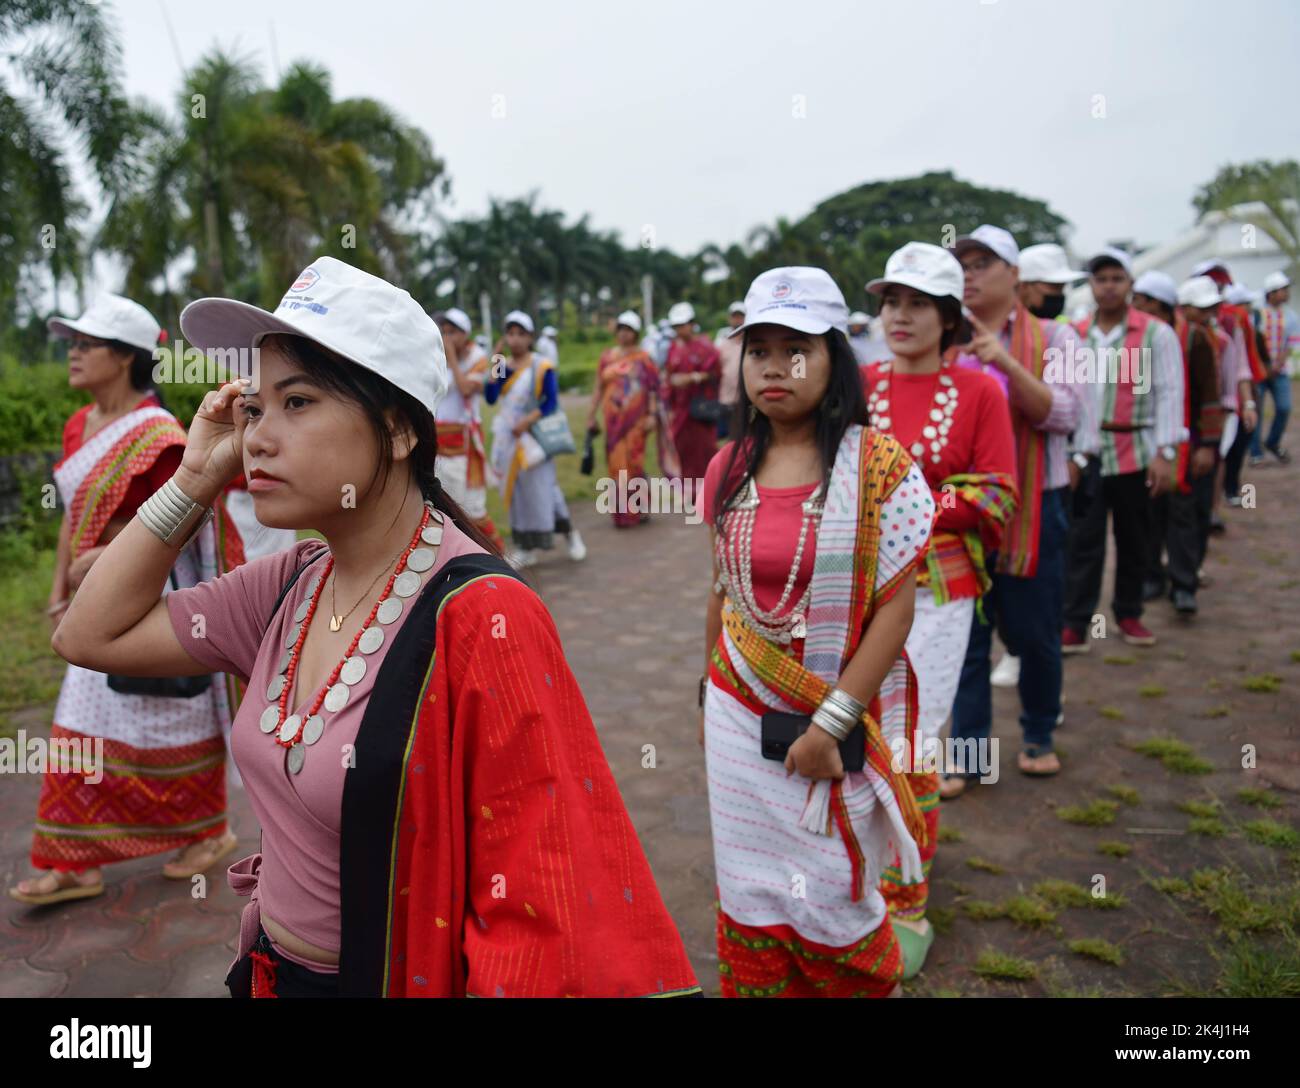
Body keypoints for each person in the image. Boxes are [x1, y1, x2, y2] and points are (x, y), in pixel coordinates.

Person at [48, 256, 700, 998]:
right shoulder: (290, 583)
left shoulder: (484, 616)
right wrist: (194, 480)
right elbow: (87, 636)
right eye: (254, 409)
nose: (257, 437)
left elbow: (530, 902)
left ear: (395, 430)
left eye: (297, 403)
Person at [700, 265, 935, 996]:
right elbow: (722, 590)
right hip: (740, 713)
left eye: (797, 348)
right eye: (759, 348)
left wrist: (831, 728)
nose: (775, 366)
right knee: (748, 886)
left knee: (833, 889)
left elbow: (895, 613)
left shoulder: (881, 471)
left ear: (835, 359)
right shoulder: (725, 468)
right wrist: (703, 691)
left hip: (835, 714)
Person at [9, 295, 246, 906]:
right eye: (72, 341)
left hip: (146, 599)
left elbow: (182, 522)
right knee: (80, 727)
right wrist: (62, 586)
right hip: (92, 599)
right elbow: (69, 518)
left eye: (87, 343)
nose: (74, 352)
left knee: (171, 719)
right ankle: (72, 859)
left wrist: (103, 559)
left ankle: (208, 831)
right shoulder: (78, 426)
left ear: (126, 358)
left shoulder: (161, 437)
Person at [862, 244, 1017, 976]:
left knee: (916, 740)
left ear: (949, 317)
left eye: (917, 304)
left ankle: (907, 899)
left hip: (940, 591)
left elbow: (997, 494)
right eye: (891, 302)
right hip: (855, 589)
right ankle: (856, 883)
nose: (899, 316)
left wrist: (909, 501)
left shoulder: (982, 390)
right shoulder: (857, 384)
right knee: (857, 730)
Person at [944, 225, 1089, 797]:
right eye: (964, 264)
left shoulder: (1058, 338)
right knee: (967, 641)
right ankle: (968, 754)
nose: (971, 274)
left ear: (1015, 276)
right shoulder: (944, 337)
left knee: (1034, 635)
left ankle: (1037, 735)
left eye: (984, 263)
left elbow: (1065, 415)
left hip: (1035, 505)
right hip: (964, 513)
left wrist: (1001, 360)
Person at [1062, 247, 1185, 650]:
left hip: (1136, 447)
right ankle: (1076, 622)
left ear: (1131, 284)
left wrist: (1167, 453)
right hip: (1088, 453)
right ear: (1091, 285)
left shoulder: (1154, 333)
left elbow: (1169, 393)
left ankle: (1129, 614)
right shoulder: (1076, 334)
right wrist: (1071, 454)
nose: (1109, 287)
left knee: (1135, 538)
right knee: (1084, 541)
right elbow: (1068, 396)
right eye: (1101, 279)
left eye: (1117, 278)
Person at [1132, 271, 1222, 614]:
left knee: (1184, 513)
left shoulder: (1194, 338)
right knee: (1149, 512)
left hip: (1187, 440)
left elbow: (1209, 392)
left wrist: (1207, 445)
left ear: (1158, 305)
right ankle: (1152, 575)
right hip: (1145, 437)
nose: (1134, 307)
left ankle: (1184, 583)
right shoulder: (1135, 338)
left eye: (1140, 301)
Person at [485, 310, 583, 568]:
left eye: (520, 334)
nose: (515, 339)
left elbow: (550, 402)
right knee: (517, 492)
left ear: (530, 337)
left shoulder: (541, 365)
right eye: (510, 333)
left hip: (533, 439)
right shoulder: (503, 365)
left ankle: (570, 534)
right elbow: (491, 397)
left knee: (546, 490)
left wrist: (528, 420)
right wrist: (495, 358)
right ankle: (525, 546)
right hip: (510, 440)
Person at [586, 311, 670, 527]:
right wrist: (590, 415)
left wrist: (652, 415)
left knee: (633, 463)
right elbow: (598, 387)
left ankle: (638, 509)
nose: (624, 334)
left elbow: (653, 388)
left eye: (628, 330)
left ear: (635, 333)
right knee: (616, 464)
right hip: (613, 423)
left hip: (636, 422)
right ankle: (622, 513)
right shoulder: (607, 357)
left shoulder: (643, 358)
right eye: (621, 329)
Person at [434, 307, 504, 552]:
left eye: (452, 331)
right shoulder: (437, 356)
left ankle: (498, 556)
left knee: (472, 509)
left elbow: (465, 389)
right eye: (443, 330)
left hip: (464, 443)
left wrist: (451, 356)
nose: (446, 336)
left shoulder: (478, 357)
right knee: (444, 508)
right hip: (438, 442)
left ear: (465, 333)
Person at [664, 301, 721, 484]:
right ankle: (690, 493)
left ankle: (710, 490)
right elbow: (669, 376)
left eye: (683, 325)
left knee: (704, 451)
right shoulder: (673, 348)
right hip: (680, 410)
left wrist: (693, 378)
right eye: (676, 326)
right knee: (682, 450)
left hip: (700, 409)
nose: (680, 330)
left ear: (692, 324)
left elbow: (716, 374)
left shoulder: (706, 347)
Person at [1251, 270, 1296, 464]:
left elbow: (1292, 342)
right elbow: (1251, 341)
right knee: (1256, 411)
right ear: (1271, 293)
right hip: (1259, 371)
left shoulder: (1291, 316)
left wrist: (1277, 364)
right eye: (1283, 290)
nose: (1286, 293)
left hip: (1279, 371)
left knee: (1284, 408)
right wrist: (1262, 366)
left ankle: (1272, 442)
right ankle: (1255, 453)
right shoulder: (1257, 314)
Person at [1017, 243, 1085, 321]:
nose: (1058, 294)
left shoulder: (1064, 329)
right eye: (1053, 286)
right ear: (1024, 286)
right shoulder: (1003, 326)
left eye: (1061, 287)